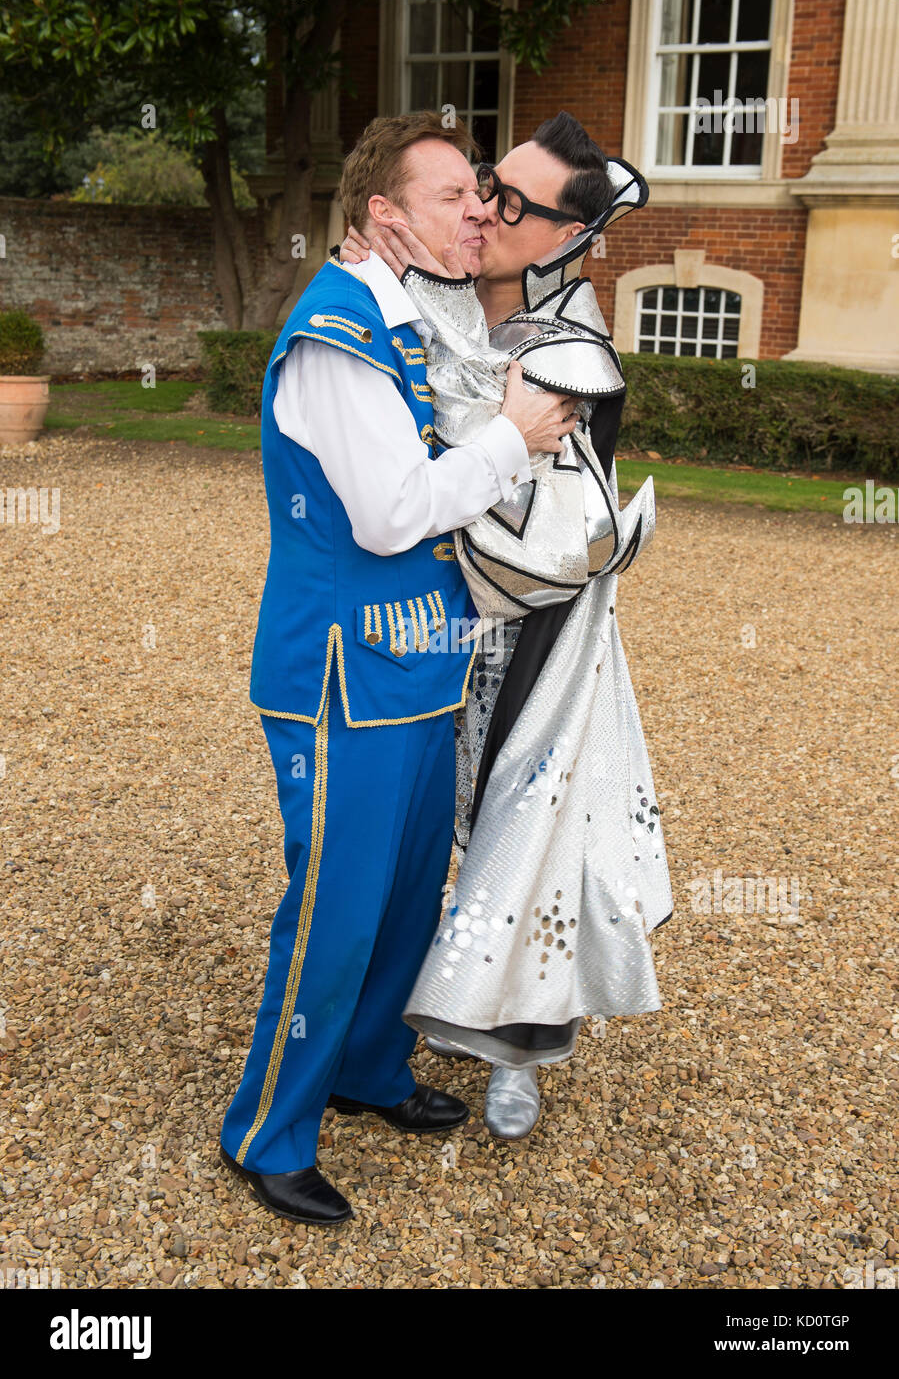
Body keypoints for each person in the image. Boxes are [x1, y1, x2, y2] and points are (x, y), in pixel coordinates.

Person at [218, 112, 580, 1226]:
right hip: (339, 676)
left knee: (404, 896)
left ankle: (368, 1070)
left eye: (482, 196)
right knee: (332, 911)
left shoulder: (404, 319)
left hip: (417, 664)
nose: (480, 214)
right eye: (453, 199)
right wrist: (509, 439)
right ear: (383, 215)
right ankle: (266, 1130)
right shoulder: (336, 334)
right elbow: (388, 516)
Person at [340, 113, 672, 1140]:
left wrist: (399, 286)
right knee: (421, 814)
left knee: (530, 818)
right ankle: (383, 1023)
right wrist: (384, 281)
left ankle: (516, 1049)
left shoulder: (571, 340)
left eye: (516, 204)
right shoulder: (440, 283)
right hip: (431, 606)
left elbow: (468, 417)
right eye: (486, 183)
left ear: (567, 239)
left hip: (544, 621)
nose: (486, 206)